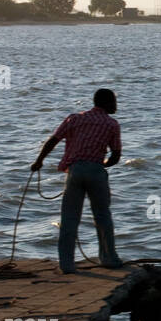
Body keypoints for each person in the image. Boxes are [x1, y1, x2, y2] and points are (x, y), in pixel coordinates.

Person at [31, 88, 123, 273]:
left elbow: (53, 140)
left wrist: (39, 161)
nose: (116, 105)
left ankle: (67, 264)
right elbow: (116, 155)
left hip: (74, 171)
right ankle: (109, 259)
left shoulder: (75, 118)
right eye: (114, 101)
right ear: (105, 103)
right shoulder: (112, 124)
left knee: (70, 218)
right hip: (96, 170)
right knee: (103, 216)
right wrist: (99, 165)